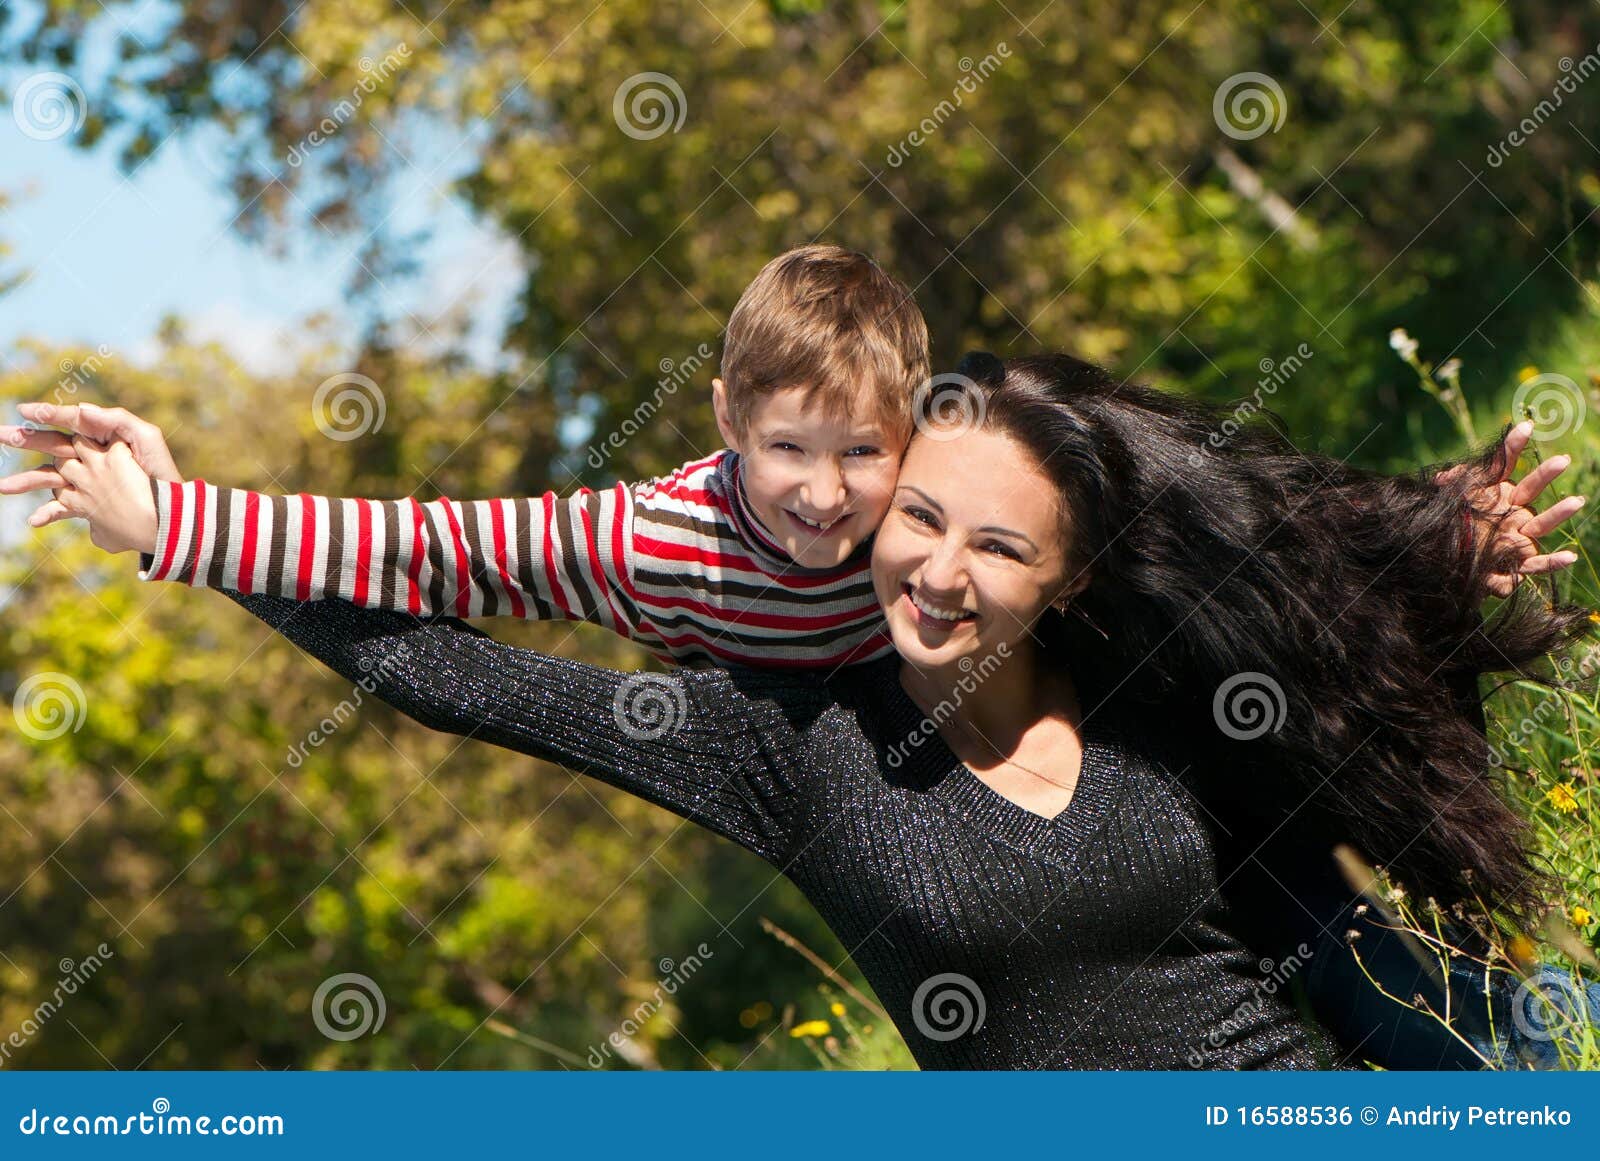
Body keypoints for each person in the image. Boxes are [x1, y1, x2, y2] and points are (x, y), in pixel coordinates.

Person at [5, 350, 1587, 1069]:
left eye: (996, 543)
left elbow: (1342, 885)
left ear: (1069, 580)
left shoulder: (1145, 695)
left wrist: (1436, 553)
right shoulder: (782, 743)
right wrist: (189, 533)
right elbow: (439, 664)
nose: (941, 568)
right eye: (921, 519)